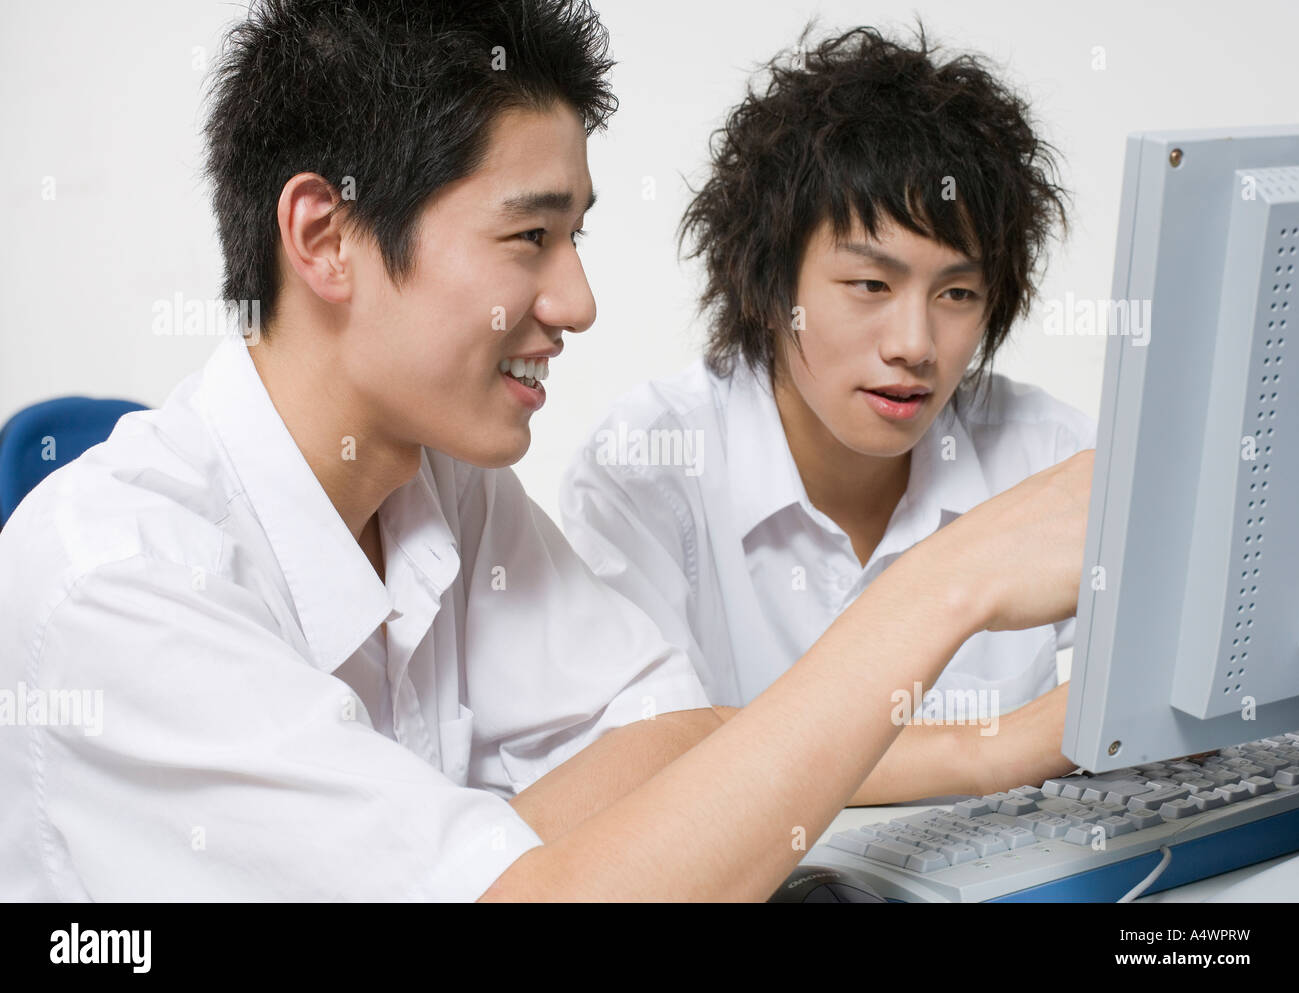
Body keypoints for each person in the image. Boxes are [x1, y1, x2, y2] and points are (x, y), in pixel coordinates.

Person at [0, 0, 1092, 902]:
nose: (577, 301)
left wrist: (496, 848)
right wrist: (952, 585)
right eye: (529, 237)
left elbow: (676, 737)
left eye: (577, 237)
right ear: (326, 238)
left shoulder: (448, 489)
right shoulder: (117, 582)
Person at [561, 25, 1096, 804]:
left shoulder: (1044, 449)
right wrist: (1010, 743)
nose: (915, 346)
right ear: (769, 287)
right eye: (870, 286)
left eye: (956, 294)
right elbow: (650, 771)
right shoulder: (650, 471)